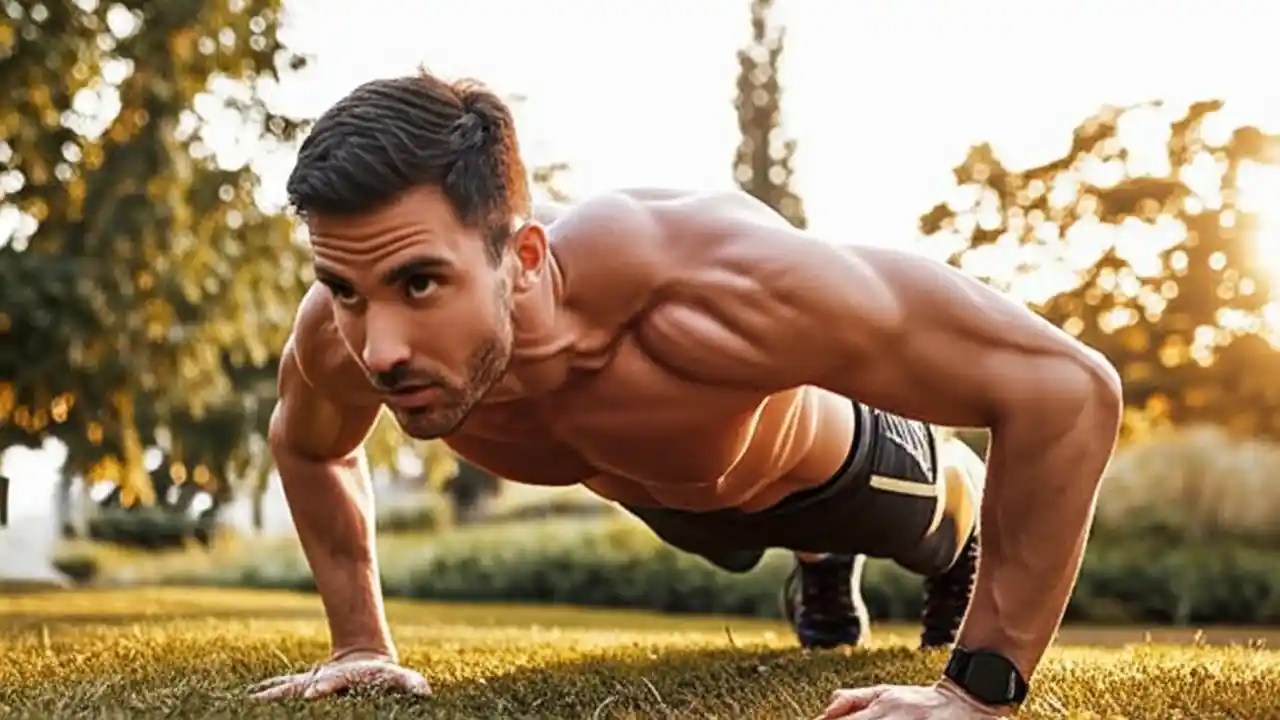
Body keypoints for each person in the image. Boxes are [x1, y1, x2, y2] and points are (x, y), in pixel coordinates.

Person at [248, 70, 1123, 718]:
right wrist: (360, 644)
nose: (380, 349)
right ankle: (818, 568)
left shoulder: (709, 285)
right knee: (693, 496)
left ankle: (881, 540)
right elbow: (312, 444)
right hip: (676, 492)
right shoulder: (339, 327)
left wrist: (977, 691)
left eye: (421, 284)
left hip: (834, 466)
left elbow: (1066, 391)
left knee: (939, 521)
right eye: (346, 289)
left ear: (523, 259)